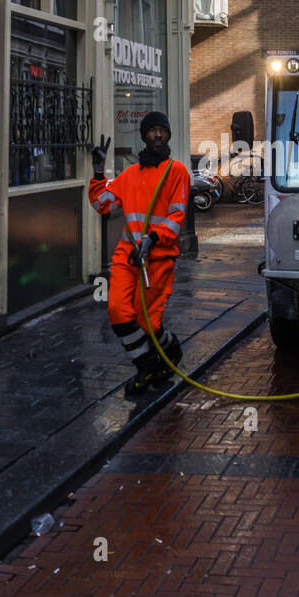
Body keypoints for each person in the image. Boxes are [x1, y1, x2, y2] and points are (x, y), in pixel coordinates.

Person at [88, 111, 191, 396]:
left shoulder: (177, 171)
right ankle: (146, 368)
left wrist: (154, 238)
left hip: (158, 259)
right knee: (118, 311)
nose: (158, 134)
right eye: (152, 130)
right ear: (143, 136)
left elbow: (177, 215)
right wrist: (98, 172)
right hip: (128, 256)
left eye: (162, 130)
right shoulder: (129, 174)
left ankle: (170, 349)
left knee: (148, 321)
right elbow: (102, 205)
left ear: (168, 135)